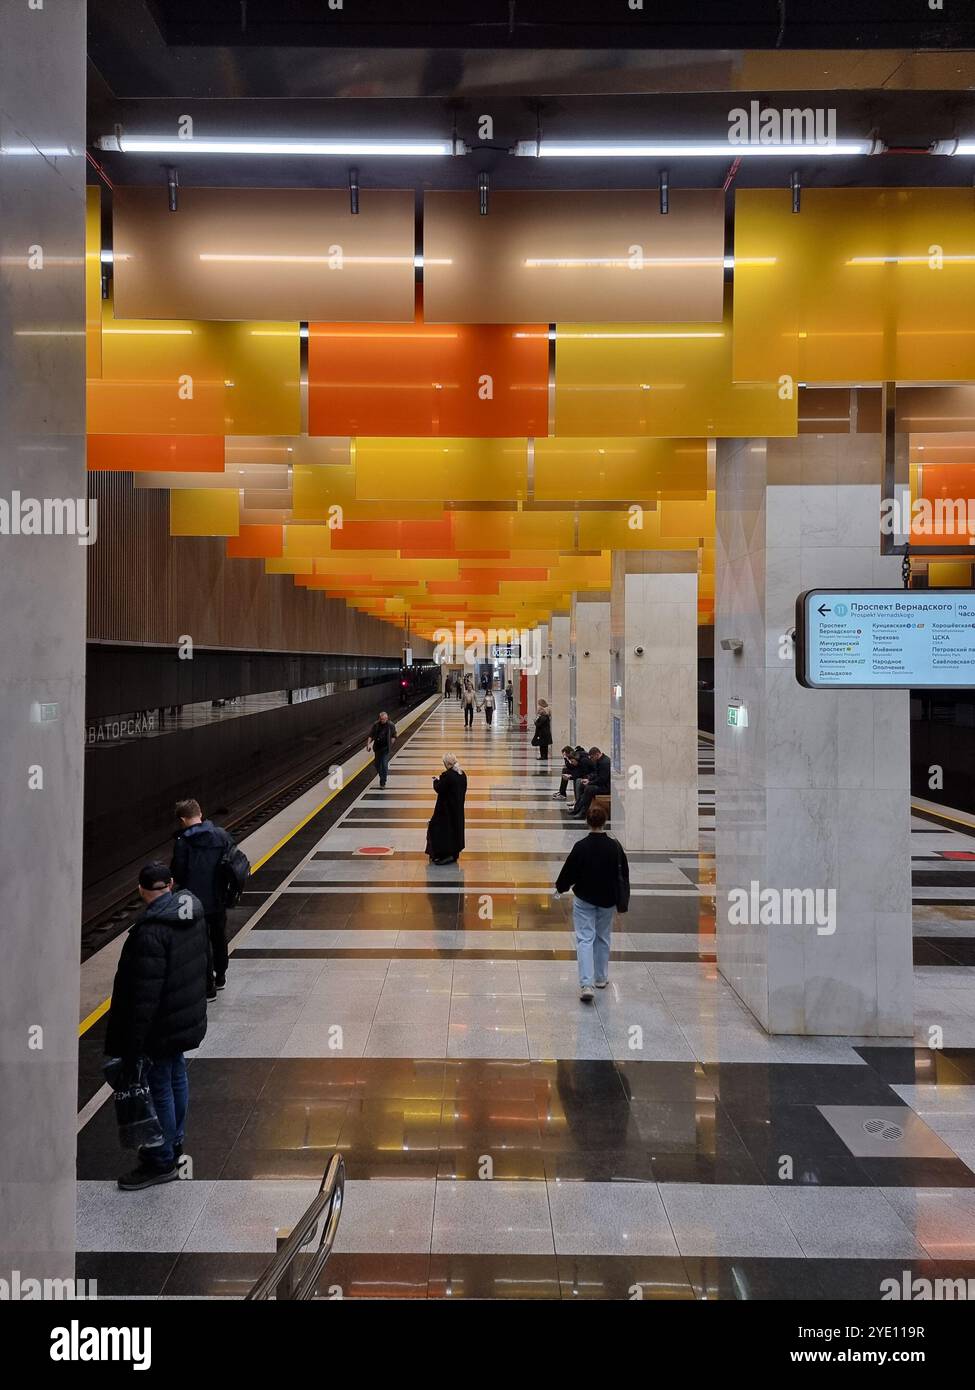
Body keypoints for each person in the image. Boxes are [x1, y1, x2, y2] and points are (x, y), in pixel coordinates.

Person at [104, 862, 209, 1189]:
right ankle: (175, 1142)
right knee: (176, 1076)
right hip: (184, 1017)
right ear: (171, 884)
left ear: (140, 890)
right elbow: (203, 962)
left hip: (160, 1025)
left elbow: (142, 997)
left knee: (160, 1085)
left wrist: (131, 1044)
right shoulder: (191, 912)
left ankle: (160, 1160)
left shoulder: (150, 931)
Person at [555, 805, 629, 1002]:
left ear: (587, 822)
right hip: (607, 899)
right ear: (605, 822)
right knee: (603, 936)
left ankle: (586, 983)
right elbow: (623, 875)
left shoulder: (581, 846)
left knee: (585, 939)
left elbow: (569, 872)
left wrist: (561, 887)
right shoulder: (615, 846)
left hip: (584, 898)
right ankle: (601, 977)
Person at [170, 798, 235, 999]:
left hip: (193, 900)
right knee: (218, 936)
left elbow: (178, 873)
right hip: (218, 897)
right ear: (200, 813)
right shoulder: (221, 835)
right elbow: (233, 863)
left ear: (182, 819)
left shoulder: (183, 843)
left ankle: (208, 987)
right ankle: (221, 976)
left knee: (200, 942)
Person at [426, 753, 468, 865]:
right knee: (455, 830)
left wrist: (435, 781)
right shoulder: (462, 774)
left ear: (446, 763)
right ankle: (454, 854)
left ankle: (443, 854)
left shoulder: (447, 775)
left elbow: (439, 788)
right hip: (458, 809)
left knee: (441, 830)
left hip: (446, 810)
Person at [567, 745, 611, 819]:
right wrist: (588, 779)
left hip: (605, 787)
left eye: (592, 757)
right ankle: (579, 809)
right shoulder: (599, 760)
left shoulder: (605, 763)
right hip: (601, 784)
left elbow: (602, 779)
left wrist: (590, 782)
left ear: (597, 754)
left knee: (589, 789)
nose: (591, 759)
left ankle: (581, 811)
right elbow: (596, 774)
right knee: (582, 785)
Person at [366, 710, 397, 789]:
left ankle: (383, 781)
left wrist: (391, 744)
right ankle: (381, 776)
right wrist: (368, 744)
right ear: (379, 719)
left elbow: (394, 736)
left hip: (385, 748)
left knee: (383, 764)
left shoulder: (391, 725)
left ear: (387, 718)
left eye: (384, 719)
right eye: (381, 719)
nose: (383, 720)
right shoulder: (376, 725)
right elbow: (371, 735)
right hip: (377, 748)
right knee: (377, 765)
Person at [532, 698, 552, 771]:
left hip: (543, 733)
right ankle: (544, 756)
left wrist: (535, 722)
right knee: (543, 745)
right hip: (544, 733)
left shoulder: (544, 717)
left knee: (543, 745)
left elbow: (539, 724)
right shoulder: (544, 717)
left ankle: (543, 756)